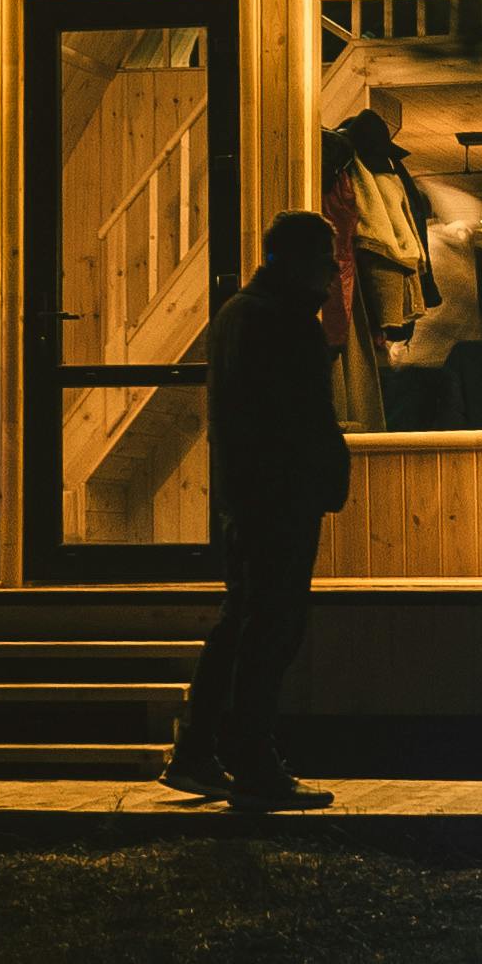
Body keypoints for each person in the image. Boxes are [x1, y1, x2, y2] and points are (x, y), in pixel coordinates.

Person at [163, 207, 351, 813]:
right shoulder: (285, 323)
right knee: (272, 626)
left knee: (240, 619)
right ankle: (252, 757)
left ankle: (198, 748)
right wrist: (323, 476)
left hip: (249, 494)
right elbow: (299, 417)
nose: (332, 270)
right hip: (281, 494)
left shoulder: (239, 316)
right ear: (297, 260)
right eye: (325, 258)